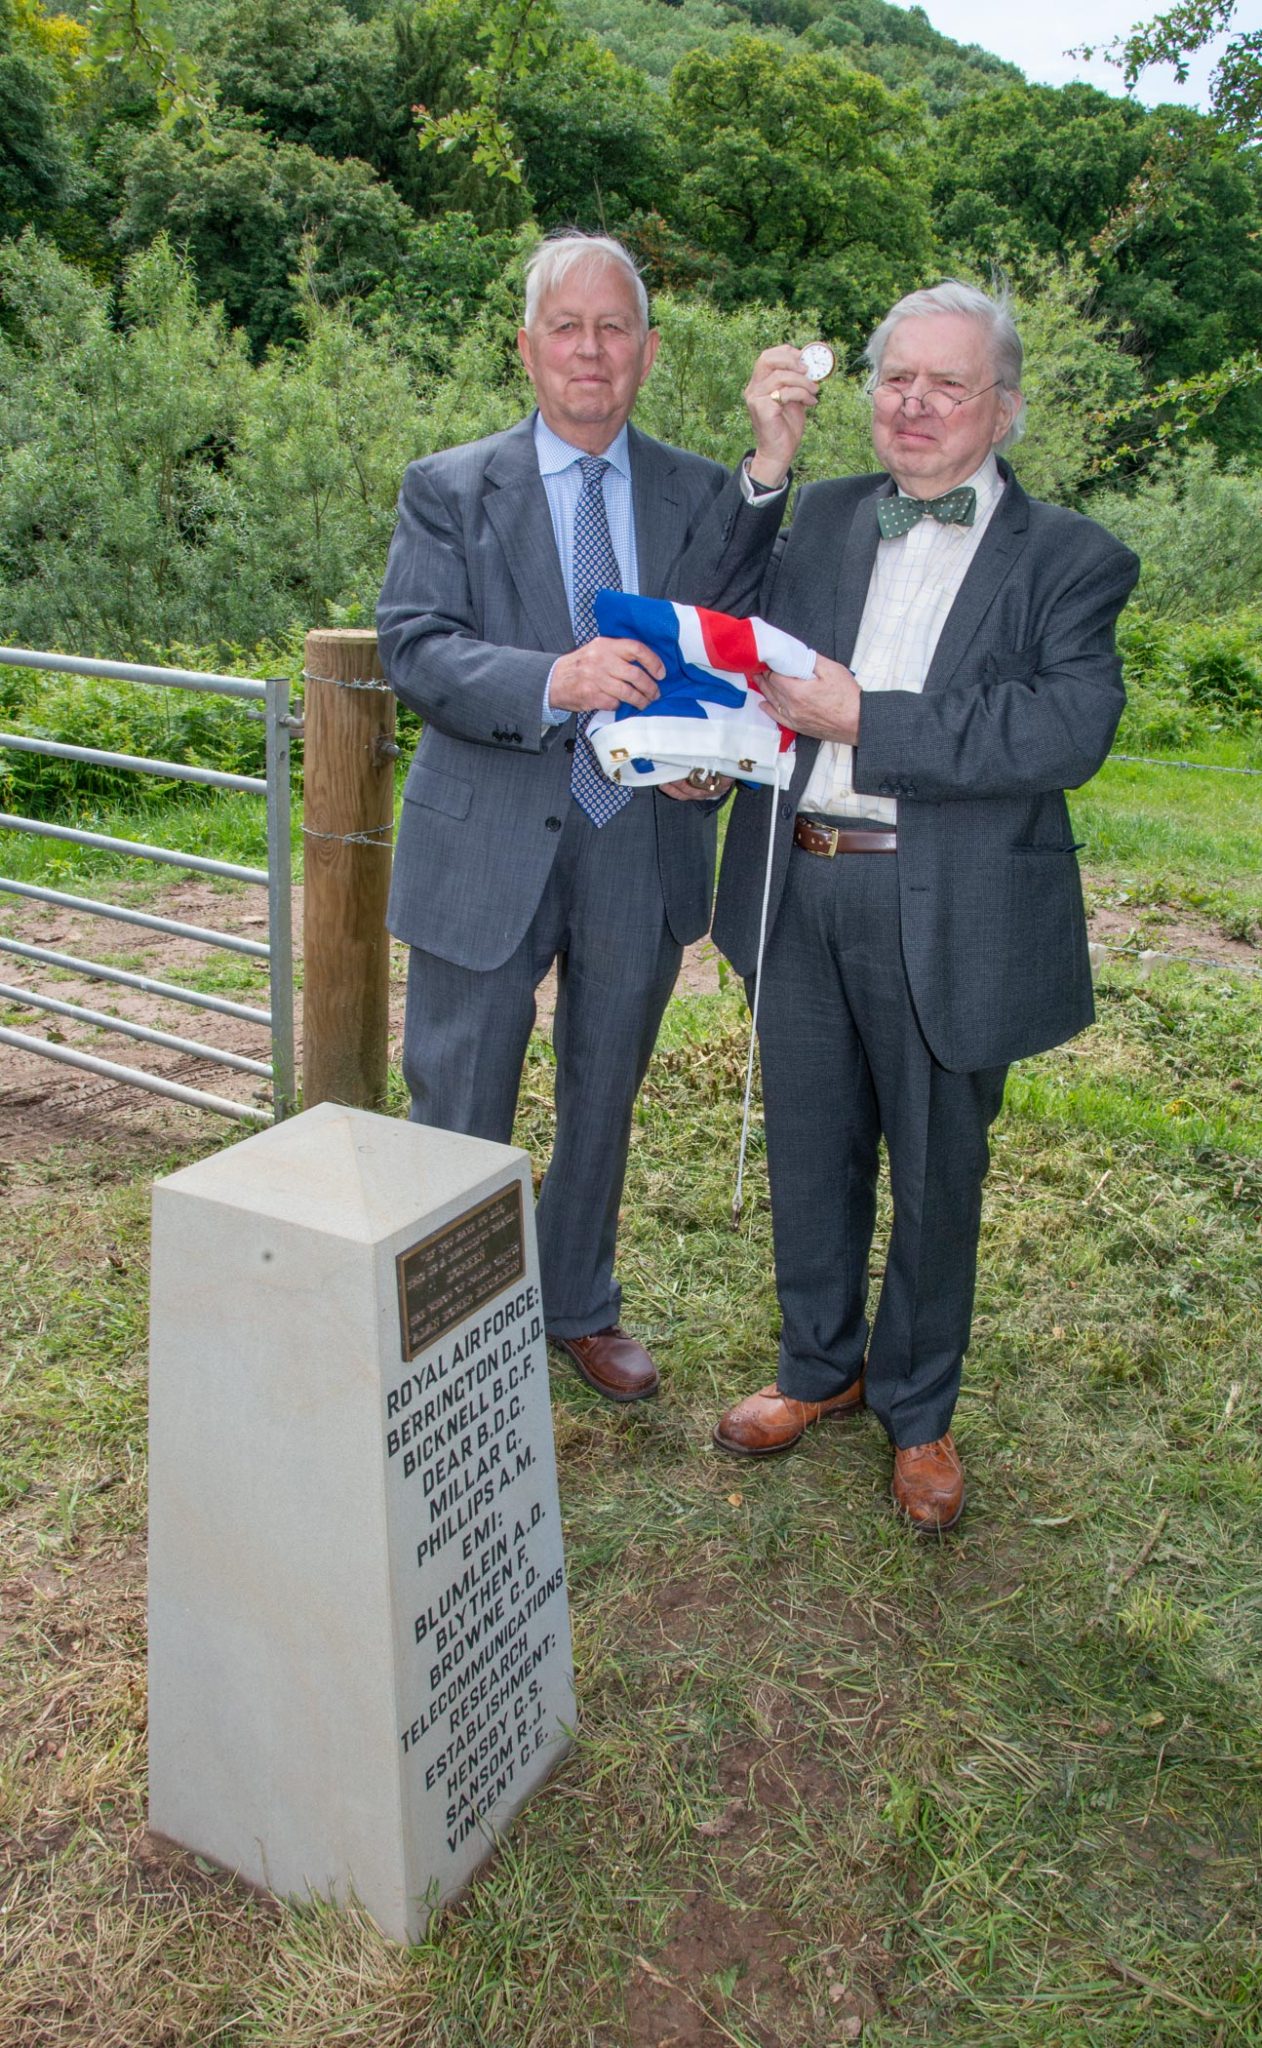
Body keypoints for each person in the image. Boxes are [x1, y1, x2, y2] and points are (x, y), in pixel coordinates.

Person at [711, 280, 1140, 1531]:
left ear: (999, 410)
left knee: (936, 1166)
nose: (910, 402)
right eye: (894, 377)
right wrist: (767, 466)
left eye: (944, 385)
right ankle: (814, 1366)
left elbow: (1065, 727)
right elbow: (721, 621)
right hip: (800, 878)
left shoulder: (1069, 557)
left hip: (944, 901)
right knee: (811, 1143)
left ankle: (918, 1408)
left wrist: (868, 722)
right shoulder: (827, 514)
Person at [377, 232, 813, 1406]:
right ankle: (445, 1325)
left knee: (602, 1080)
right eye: (565, 327)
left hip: (640, 836)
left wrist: (711, 759)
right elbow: (414, 647)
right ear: (526, 347)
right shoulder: (448, 485)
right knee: (458, 1084)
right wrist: (550, 681)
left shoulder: (695, 491)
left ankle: (575, 1303)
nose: (588, 349)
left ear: (647, 352)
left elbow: (729, 643)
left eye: (611, 328)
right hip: (486, 832)